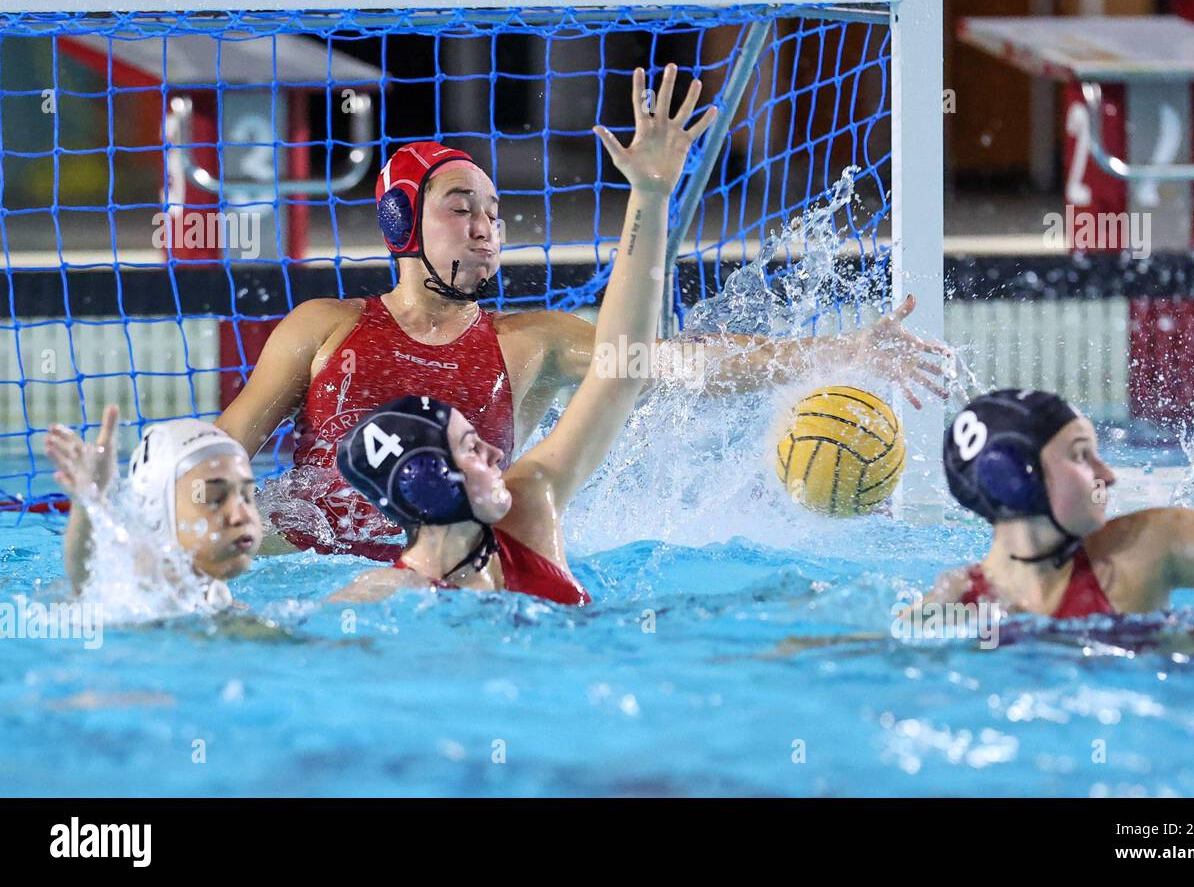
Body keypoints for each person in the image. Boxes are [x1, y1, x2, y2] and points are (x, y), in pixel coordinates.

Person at [216, 64, 947, 560]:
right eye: (460, 208)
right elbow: (220, 453)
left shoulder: (528, 344)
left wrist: (838, 351)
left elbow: (670, 363)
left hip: (469, 583)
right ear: (400, 217)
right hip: (306, 578)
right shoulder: (324, 328)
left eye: (495, 215)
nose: (484, 227)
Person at [328, 64, 716, 604]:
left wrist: (649, 197)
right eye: (469, 446)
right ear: (428, 481)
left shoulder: (530, 503)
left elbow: (621, 370)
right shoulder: (376, 599)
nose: (494, 452)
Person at [921, 388, 1194, 618]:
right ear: (1017, 479)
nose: (1110, 475)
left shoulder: (1145, 547)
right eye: (1082, 455)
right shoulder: (960, 596)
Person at [44, 404, 261, 608]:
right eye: (214, 499)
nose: (241, 516)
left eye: (247, 496)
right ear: (159, 510)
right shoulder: (141, 586)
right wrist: (89, 498)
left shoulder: (218, 597)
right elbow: (87, 579)